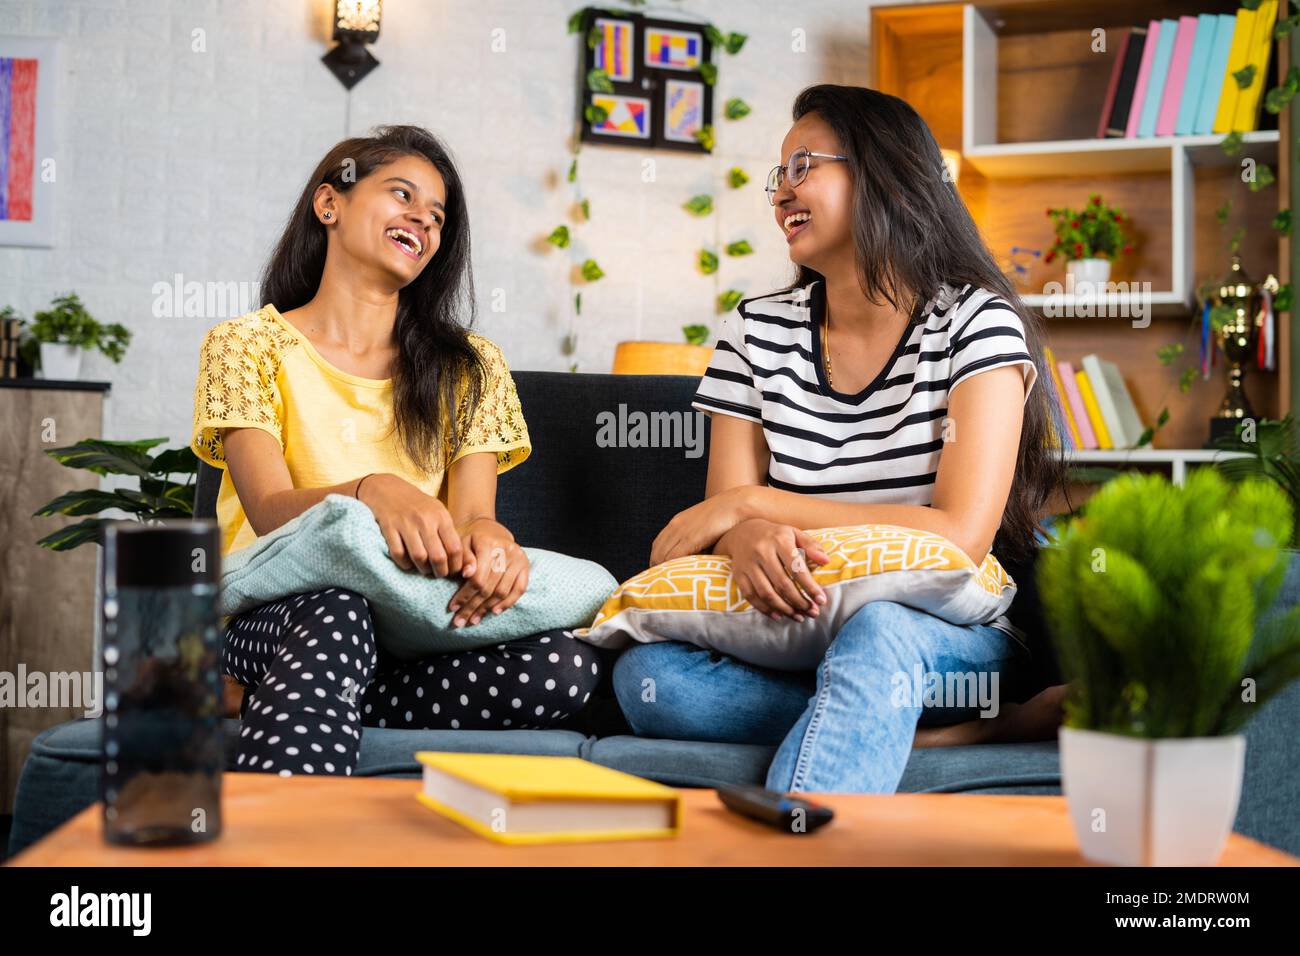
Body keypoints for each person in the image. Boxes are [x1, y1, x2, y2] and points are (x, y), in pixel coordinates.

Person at [611, 86, 1069, 793]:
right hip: (794, 624)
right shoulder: (754, 331)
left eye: (803, 166)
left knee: (879, 634)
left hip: (944, 637)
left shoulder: (977, 323)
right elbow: (727, 513)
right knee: (654, 679)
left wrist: (756, 508)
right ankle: (966, 731)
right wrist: (747, 537)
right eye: (778, 176)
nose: (781, 191)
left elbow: (960, 536)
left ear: (880, 171)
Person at [191, 126, 600, 777]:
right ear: (330, 204)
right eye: (401, 194)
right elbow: (268, 510)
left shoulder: (473, 366)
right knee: (335, 613)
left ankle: (258, 697)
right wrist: (371, 488)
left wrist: (492, 543)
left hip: (410, 618)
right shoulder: (246, 345)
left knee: (563, 669)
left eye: (437, 215)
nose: (423, 220)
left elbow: (473, 515)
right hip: (275, 609)